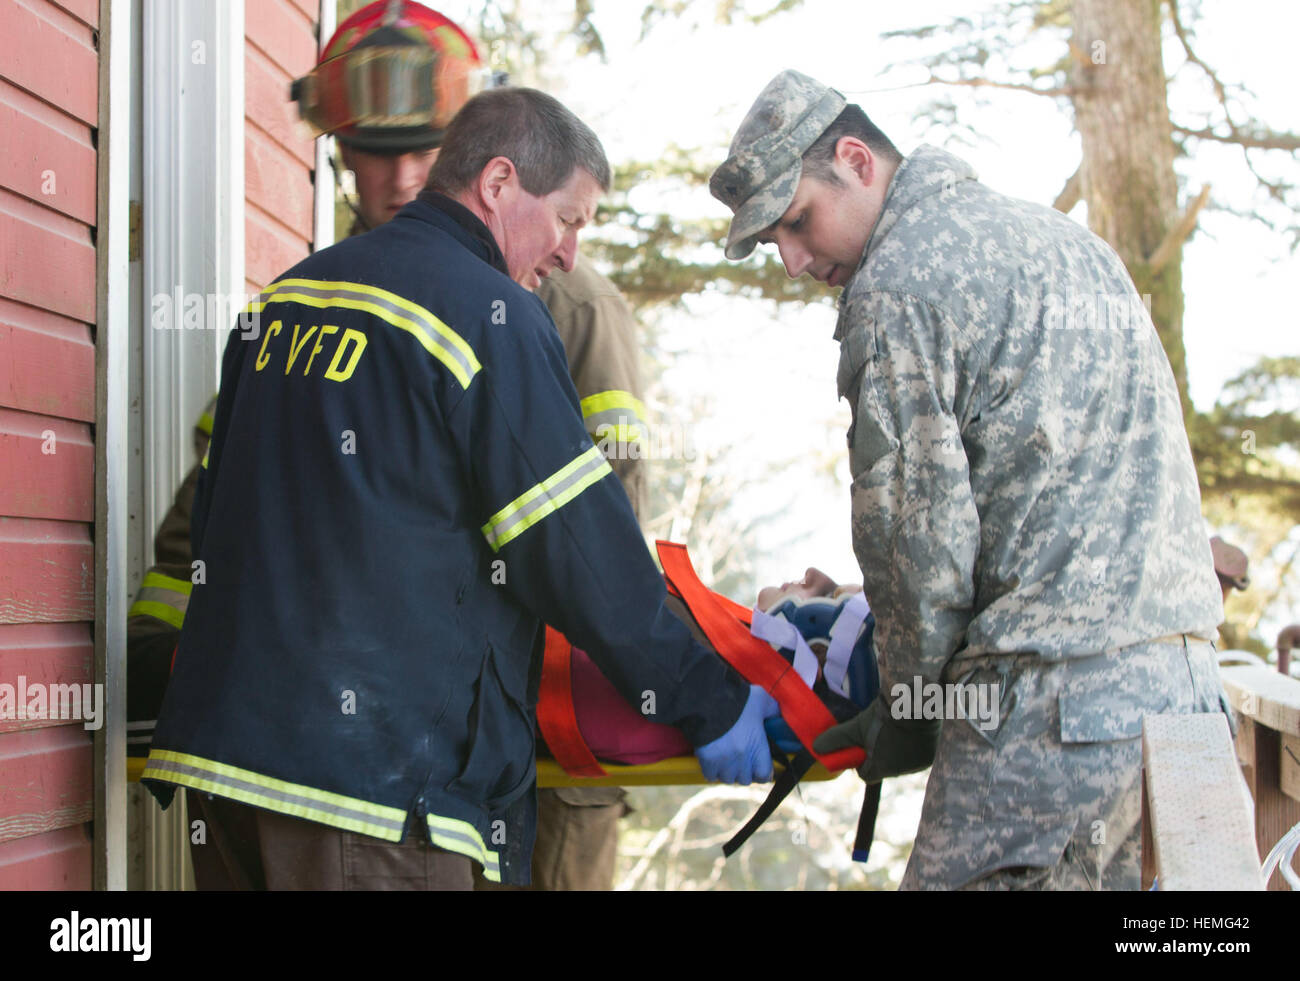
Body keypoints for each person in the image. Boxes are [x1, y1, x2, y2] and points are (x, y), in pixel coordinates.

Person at [141, 86, 776, 891]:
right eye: (569, 219)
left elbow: (218, 523)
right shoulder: (489, 316)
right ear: (499, 183)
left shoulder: (288, 300)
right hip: (369, 795)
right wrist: (710, 700)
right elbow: (579, 549)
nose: (570, 254)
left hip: (223, 774)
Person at [710, 70, 1230, 890]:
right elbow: (1062, 500)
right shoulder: (1068, 244)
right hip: (1192, 704)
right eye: (775, 240)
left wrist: (901, 717)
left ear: (857, 157)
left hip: (1052, 721)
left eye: (797, 221)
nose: (793, 261)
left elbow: (922, 548)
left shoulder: (898, 288)